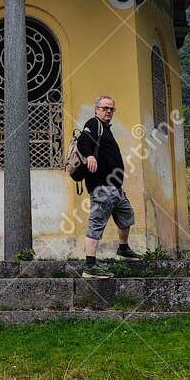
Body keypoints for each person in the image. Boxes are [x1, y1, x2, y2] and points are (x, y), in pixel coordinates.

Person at [79, 96, 137, 272]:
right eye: (105, 108)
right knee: (97, 223)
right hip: (102, 187)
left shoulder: (105, 129)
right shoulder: (94, 124)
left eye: (111, 109)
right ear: (96, 109)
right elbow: (83, 141)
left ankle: (123, 248)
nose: (108, 112)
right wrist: (89, 155)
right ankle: (90, 264)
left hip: (115, 188)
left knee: (127, 215)